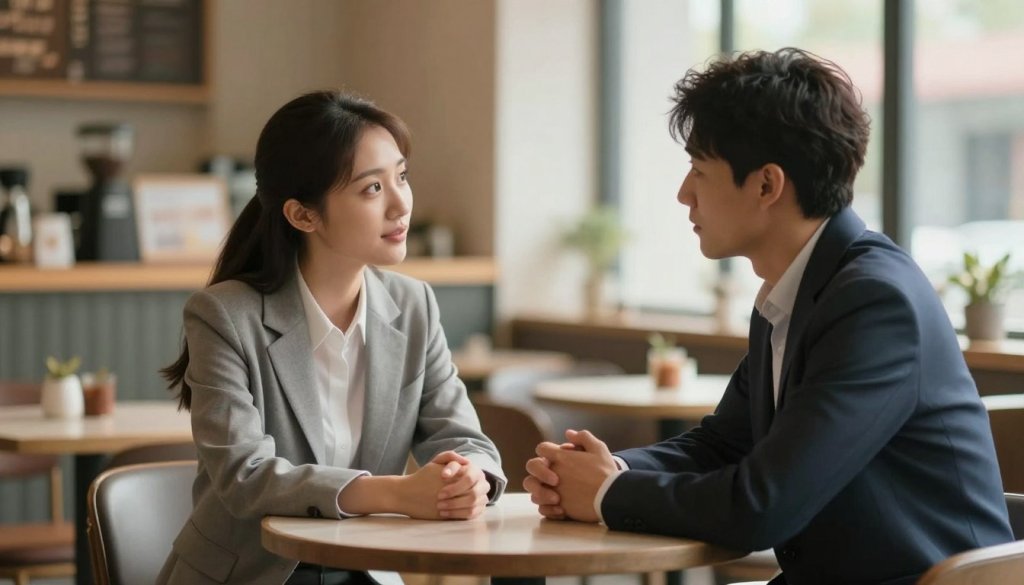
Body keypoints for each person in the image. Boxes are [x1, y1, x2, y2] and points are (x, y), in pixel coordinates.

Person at [523, 48, 1013, 585]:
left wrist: (604, 493)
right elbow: (724, 445)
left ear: (766, 185)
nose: (684, 194)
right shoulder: (795, 290)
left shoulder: (875, 302)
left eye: (699, 170)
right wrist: (608, 470)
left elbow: (763, 506)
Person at [157, 90, 506, 585]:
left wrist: (470, 476)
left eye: (401, 177)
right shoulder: (224, 316)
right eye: (371, 189)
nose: (401, 203)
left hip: (366, 570)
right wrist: (395, 494)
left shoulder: (414, 306)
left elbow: (462, 436)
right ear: (303, 215)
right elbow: (245, 476)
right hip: (255, 573)